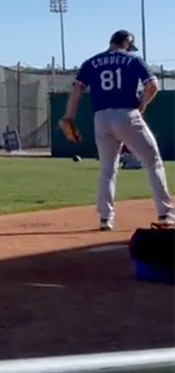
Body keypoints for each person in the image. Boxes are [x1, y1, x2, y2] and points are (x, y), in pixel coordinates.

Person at [61, 29, 174, 231]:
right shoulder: (133, 60)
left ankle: (105, 218)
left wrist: (69, 116)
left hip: (101, 118)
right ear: (127, 44)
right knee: (153, 162)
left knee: (108, 170)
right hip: (127, 114)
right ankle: (165, 213)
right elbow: (153, 85)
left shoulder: (91, 62)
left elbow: (77, 90)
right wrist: (142, 105)